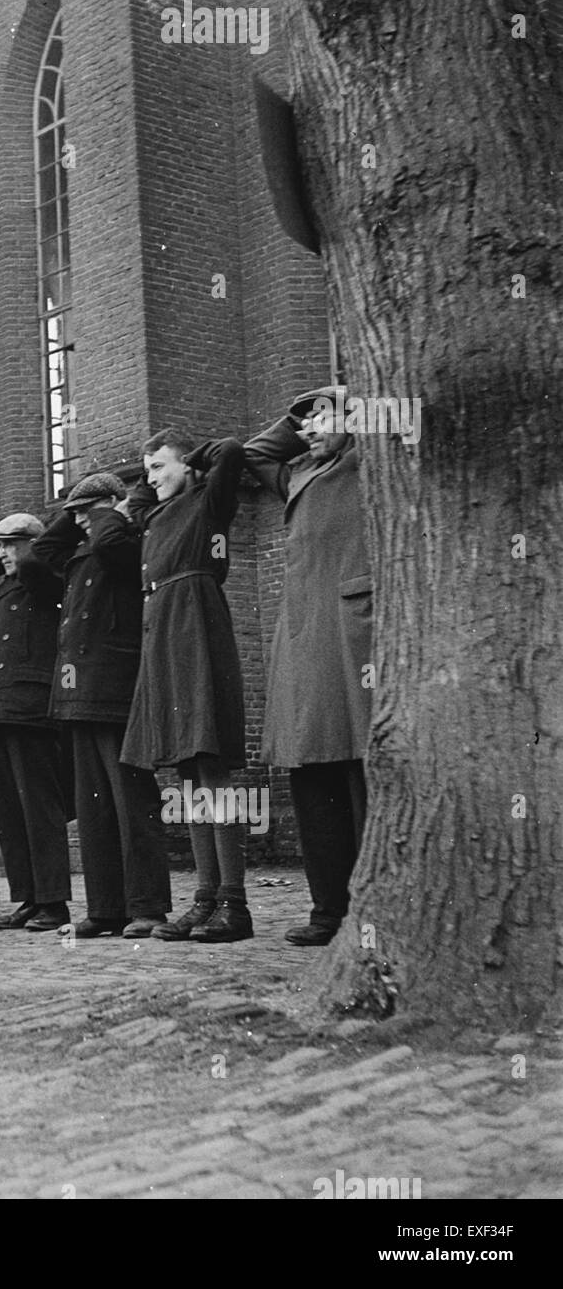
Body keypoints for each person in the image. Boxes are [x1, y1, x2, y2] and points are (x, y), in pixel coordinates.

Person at [245, 385, 372, 945]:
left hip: (354, 632)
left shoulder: (371, 460)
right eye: (305, 424)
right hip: (301, 637)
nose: (311, 430)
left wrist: (348, 405)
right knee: (310, 769)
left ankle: (372, 911)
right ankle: (328, 913)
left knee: (360, 768)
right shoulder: (296, 473)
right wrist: (303, 414)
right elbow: (251, 453)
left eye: (324, 419)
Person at [120, 431, 251, 943]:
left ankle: (234, 904)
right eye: (146, 471)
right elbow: (131, 506)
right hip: (163, 633)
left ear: (188, 467)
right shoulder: (153, 515)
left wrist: (192, 464)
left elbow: (232, 452)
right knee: (187, 774)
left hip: (196, 625)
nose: (150, 480)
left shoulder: (209, 501)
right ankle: (204, 898)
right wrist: (156, 474)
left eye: (158, 467)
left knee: (211, 766)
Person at [32, 476, 172, 939]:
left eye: (84, 511)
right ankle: (106, 908)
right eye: (72, 513)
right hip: (78, 693)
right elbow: (40, 554)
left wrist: (113, 512)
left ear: (113, 506)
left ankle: (147, 906)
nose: (76, 521)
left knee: (132, 802)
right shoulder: (79, 551)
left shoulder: (129, 539)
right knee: (93, 808)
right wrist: (78, 516)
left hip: (115, 688)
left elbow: (112, 546)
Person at [0, 514, 72, 932]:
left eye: (10, 544)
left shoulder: (47, 577)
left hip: (29, 706)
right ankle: (27, 897)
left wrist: (28, 551)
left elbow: (31, 565)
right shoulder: (3, 586)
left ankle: (53, 902)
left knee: (38, 807)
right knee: (10, 811)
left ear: (33, 544)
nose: (2, 553)